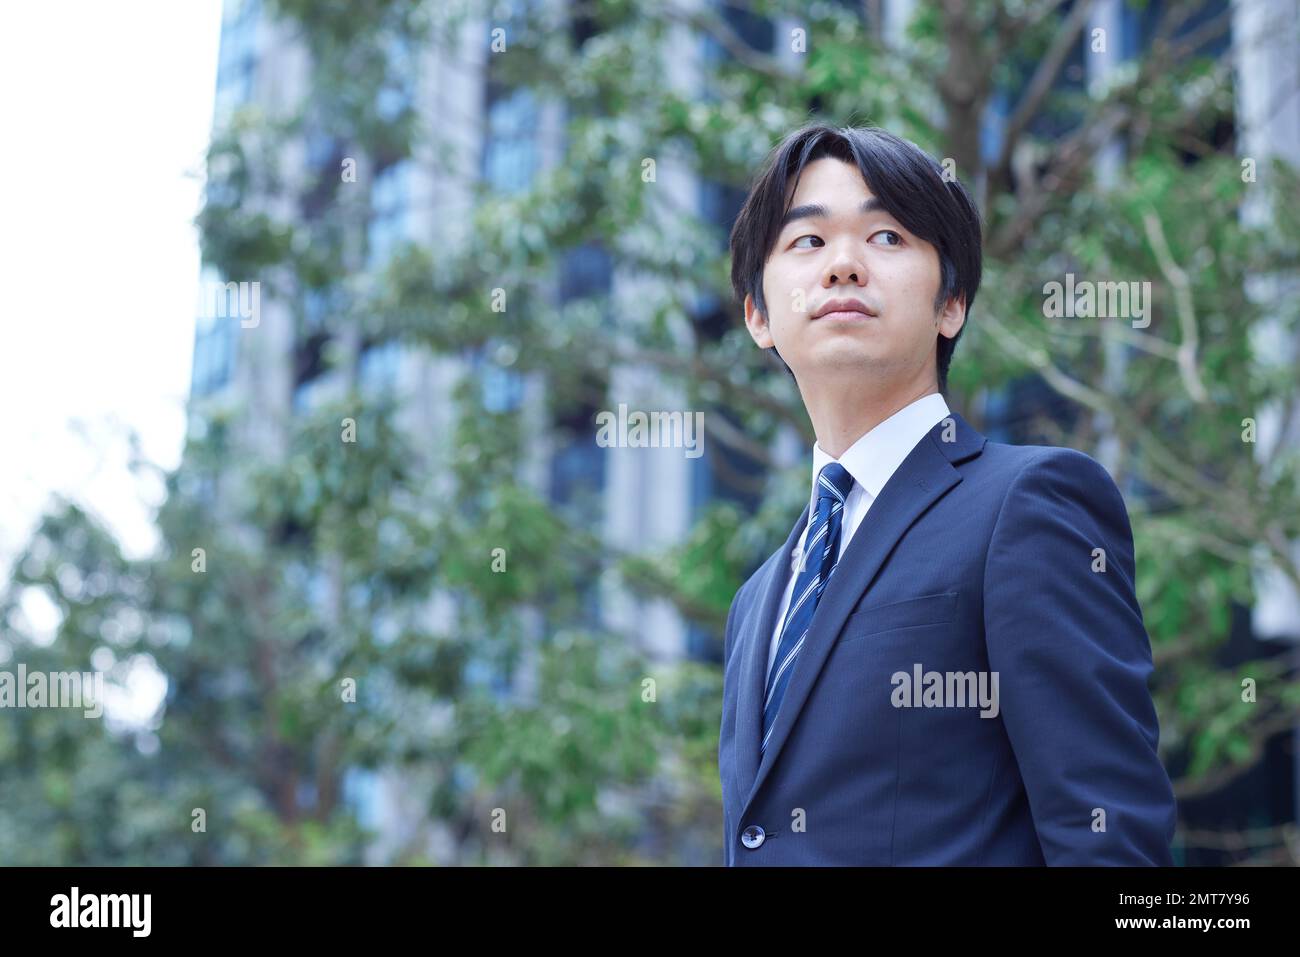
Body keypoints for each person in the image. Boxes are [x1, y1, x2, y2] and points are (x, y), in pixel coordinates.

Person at [717, 124, 1177, 865]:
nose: (843, 264)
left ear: (951, 303)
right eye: (807, 240)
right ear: (759, 317)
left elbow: (1109, 840)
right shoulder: (758, 600)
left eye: (887, 237)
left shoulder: (1029, 504)